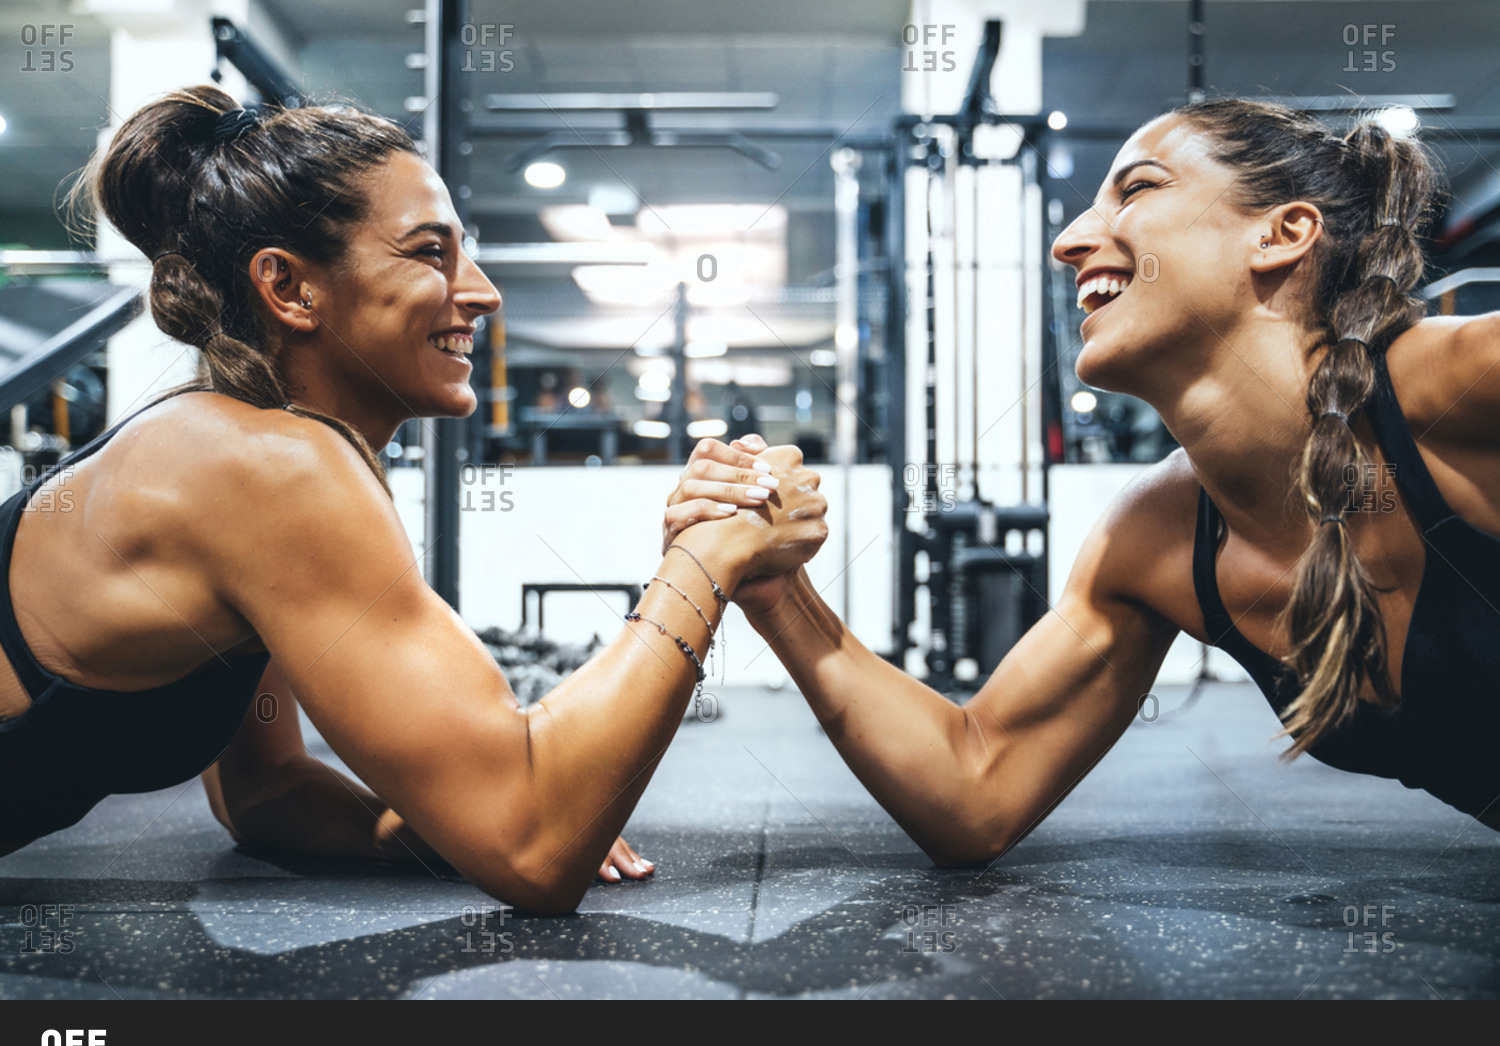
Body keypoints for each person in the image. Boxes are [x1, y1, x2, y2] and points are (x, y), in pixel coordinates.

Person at [0, 86, 827, 914]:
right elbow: (536, 846)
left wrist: (428, 828)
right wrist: (707, 556)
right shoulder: (262, 465)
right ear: (289, 288)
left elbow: (267, 789)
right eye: (431, 253)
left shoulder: (249, 448)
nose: (482, 291)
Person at [671, 98, 1500, 862]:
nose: (1069, 240)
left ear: (1280, 234)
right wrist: (781, 594)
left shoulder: (1463, 387)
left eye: (1135, 189)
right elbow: (976, 784)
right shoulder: (1160, 539)